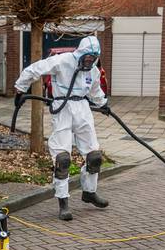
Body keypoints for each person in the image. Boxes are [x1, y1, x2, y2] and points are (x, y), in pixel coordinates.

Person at [14, 36, 109, 221]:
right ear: (80, 54)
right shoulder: (62, 61)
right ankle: (63, 202)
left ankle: (89, 192)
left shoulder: (93, 70)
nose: (89, 62)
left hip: (83, 109)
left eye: (93, 59)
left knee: (94, 156)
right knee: (62, 159)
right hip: (62, 109)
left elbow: (95, 89)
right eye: (87, 58)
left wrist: (103, 103)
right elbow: (34, 69)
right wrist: (20, 88)